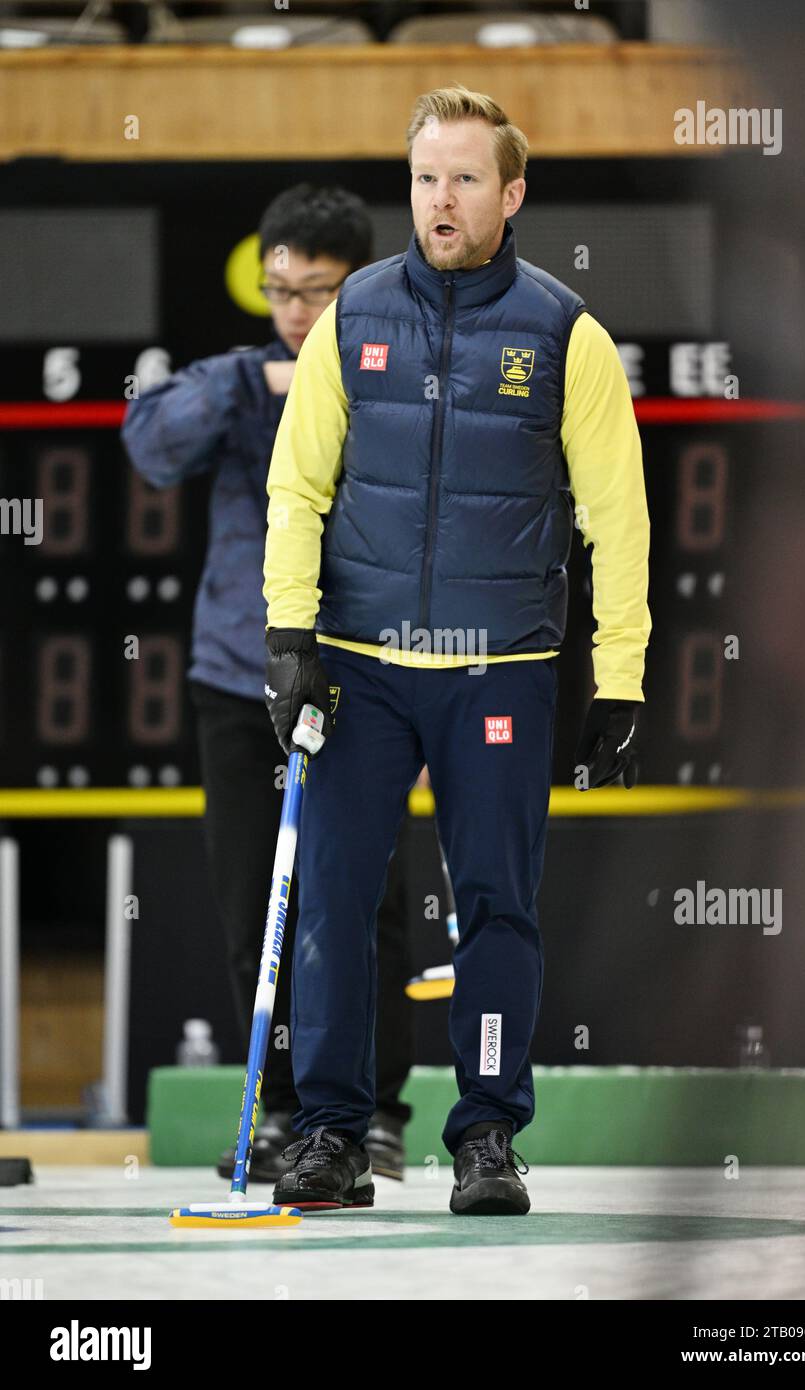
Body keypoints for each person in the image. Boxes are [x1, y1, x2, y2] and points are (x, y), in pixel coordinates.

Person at [262, 86, 651, 1215]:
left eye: (465, 178)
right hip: (358, 665)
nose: (440, 199)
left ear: (511, 191)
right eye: (426, 177)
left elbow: (615, 517)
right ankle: (330, 1132)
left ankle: (485, 1135)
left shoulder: (564, 333)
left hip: (500, 669)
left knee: (496, 907)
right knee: (333, 902)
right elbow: (297, 487)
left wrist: (616, 673)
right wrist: (286, 637)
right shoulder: (352, 317)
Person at [121, 185, 416, 1183]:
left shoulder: (392, 368)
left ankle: (372, 1113)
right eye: (278, 290)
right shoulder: (239, 376)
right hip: (235, 681)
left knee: (361, 900)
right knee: (260, 907)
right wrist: (258, 382)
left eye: (315, 292)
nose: (293, 311)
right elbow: (147, 445)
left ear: (358, 284)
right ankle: (284, 1110)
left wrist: (339, 386)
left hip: (359, 678)